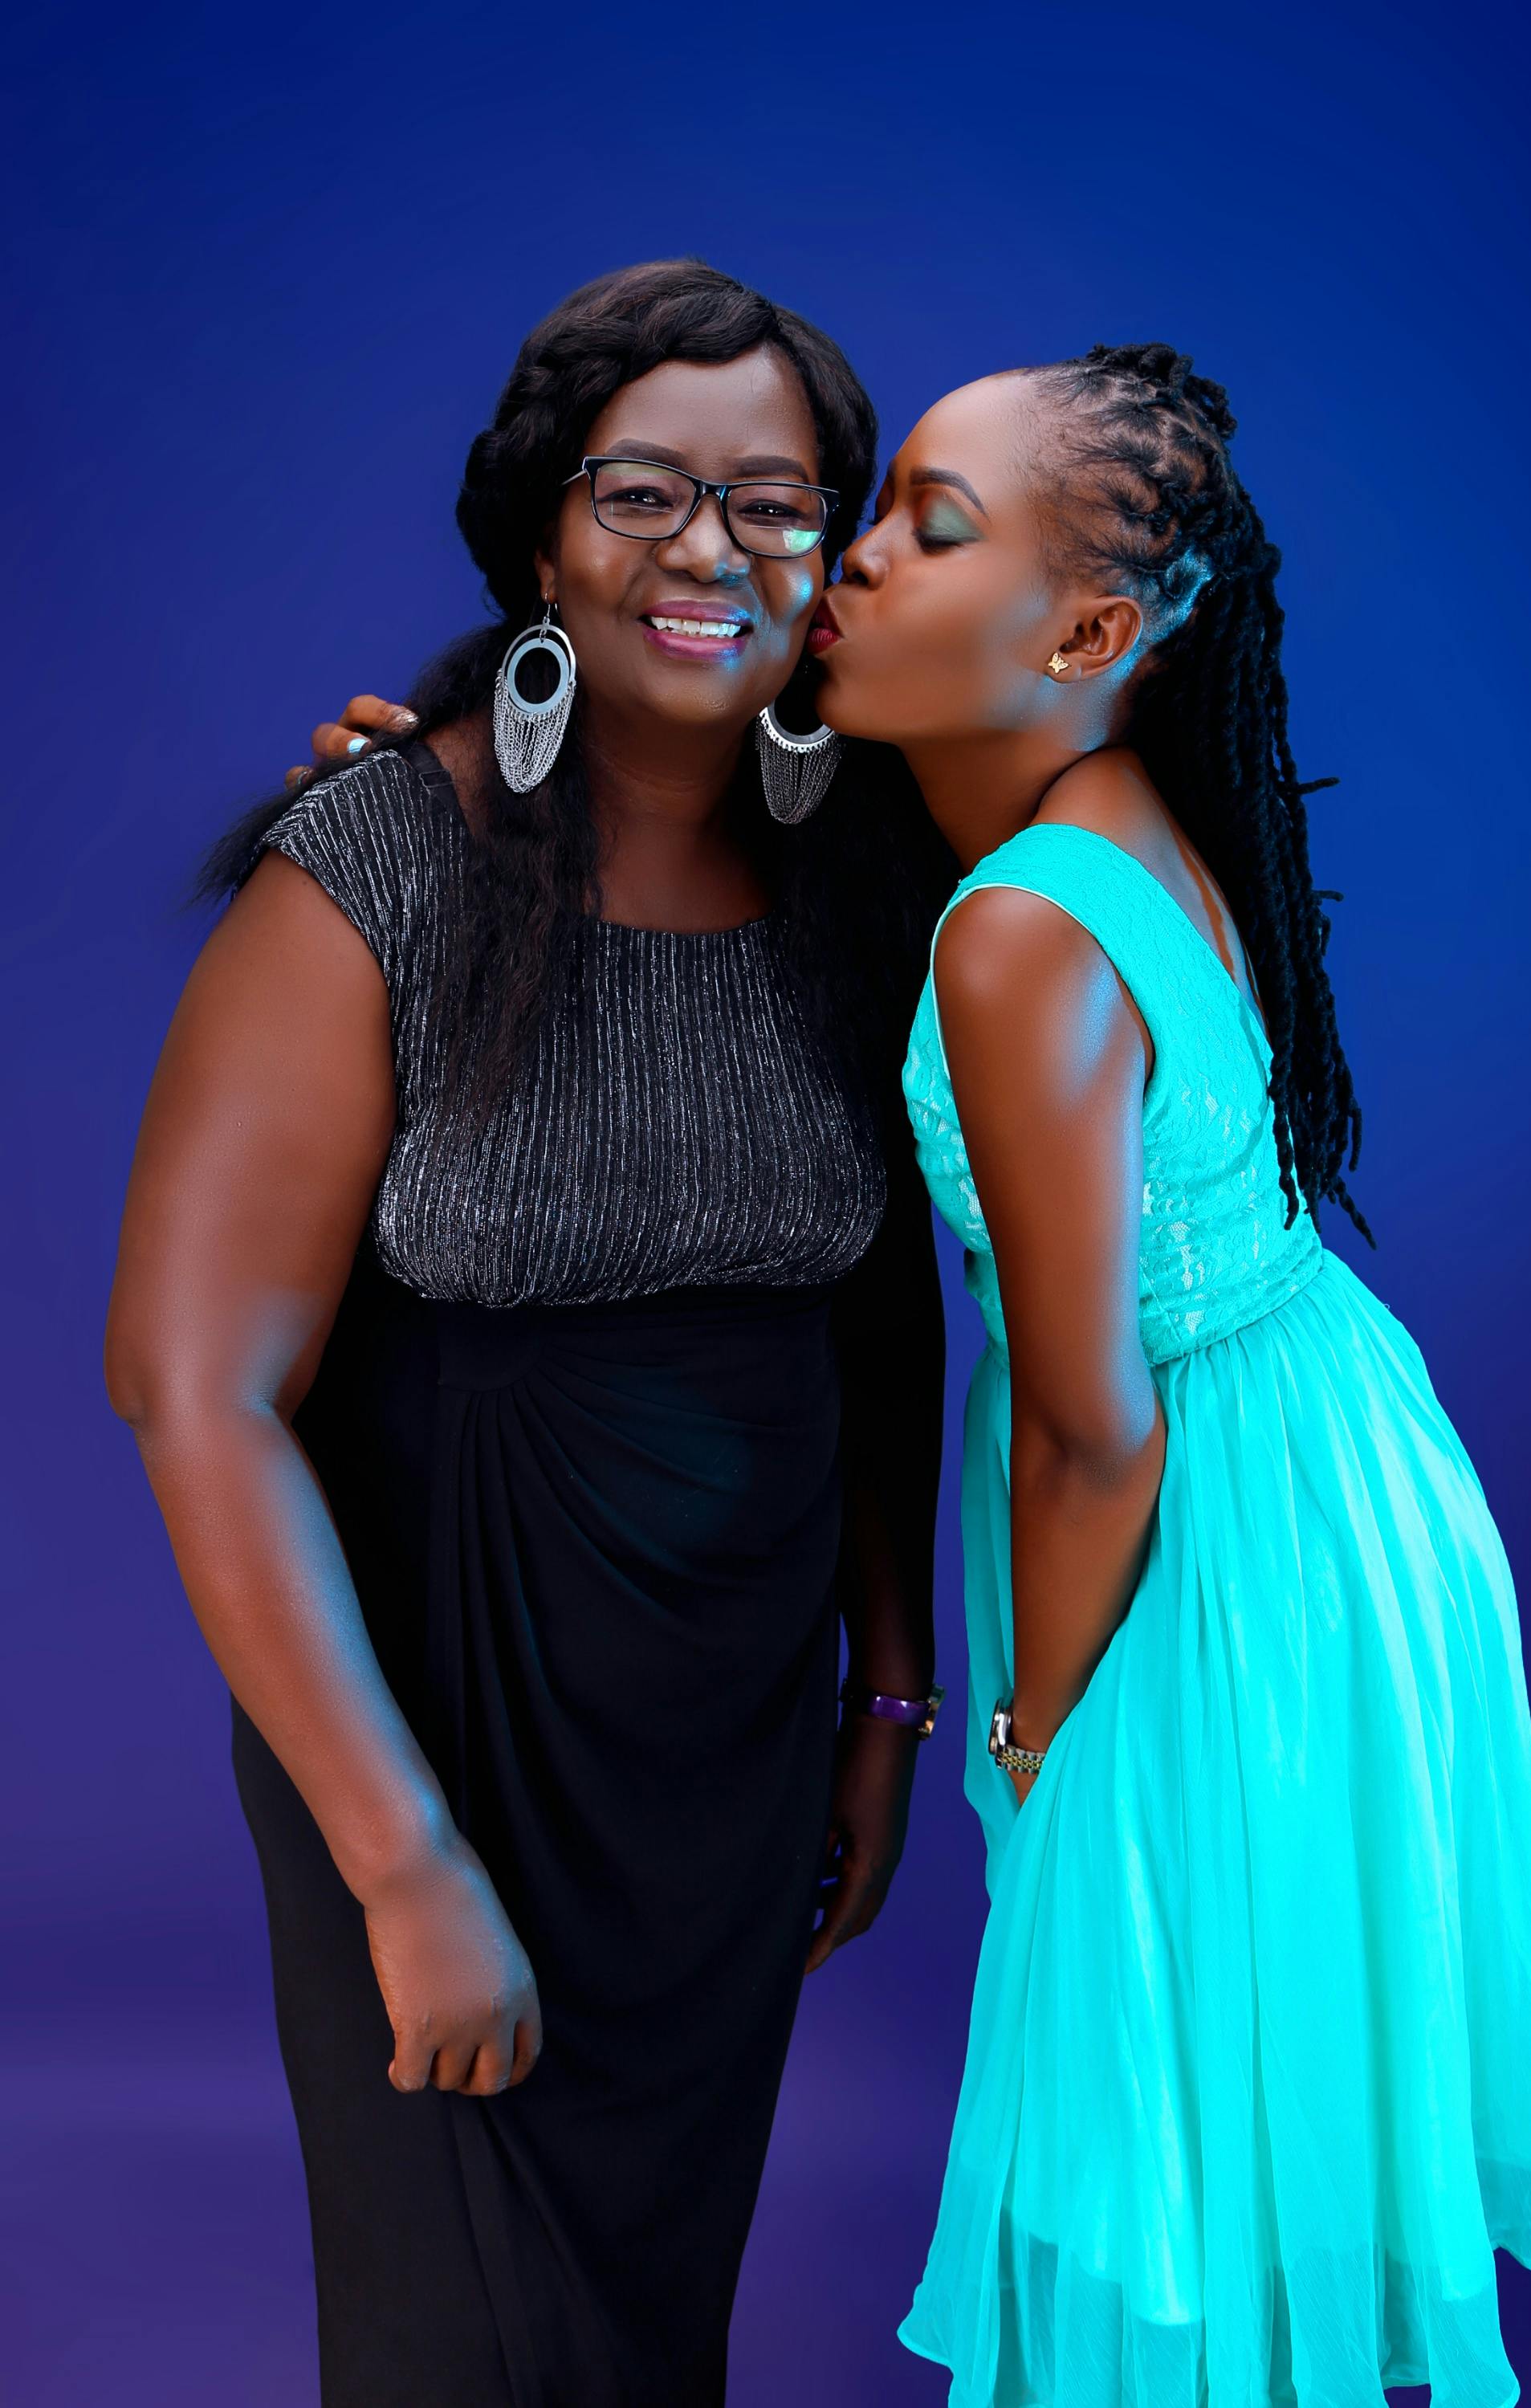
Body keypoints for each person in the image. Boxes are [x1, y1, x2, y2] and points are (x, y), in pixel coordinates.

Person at [104, 259, 948, 2408]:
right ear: (541, 531)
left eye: (777, 502)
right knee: (458, 2345)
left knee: (649, 2341)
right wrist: (400, 1863)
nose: (707, 551)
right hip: (440, 1706)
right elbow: (192, 1388)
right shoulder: (377, 860)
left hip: (726, 1740)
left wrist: (885, 1688)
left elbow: (868, 1315)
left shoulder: (867, 879)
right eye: (643, 488)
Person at [805, 342, 1531, 2406]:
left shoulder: (1011, 935)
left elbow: (1089, 1423)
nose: (852, 552)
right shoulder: (1106, 813)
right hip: (1332, 1445)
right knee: (1241, 2087)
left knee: (1148, 2069)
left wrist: (1027, 1732)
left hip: (1193, 1529)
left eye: (926, 522)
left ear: (1085, 631)